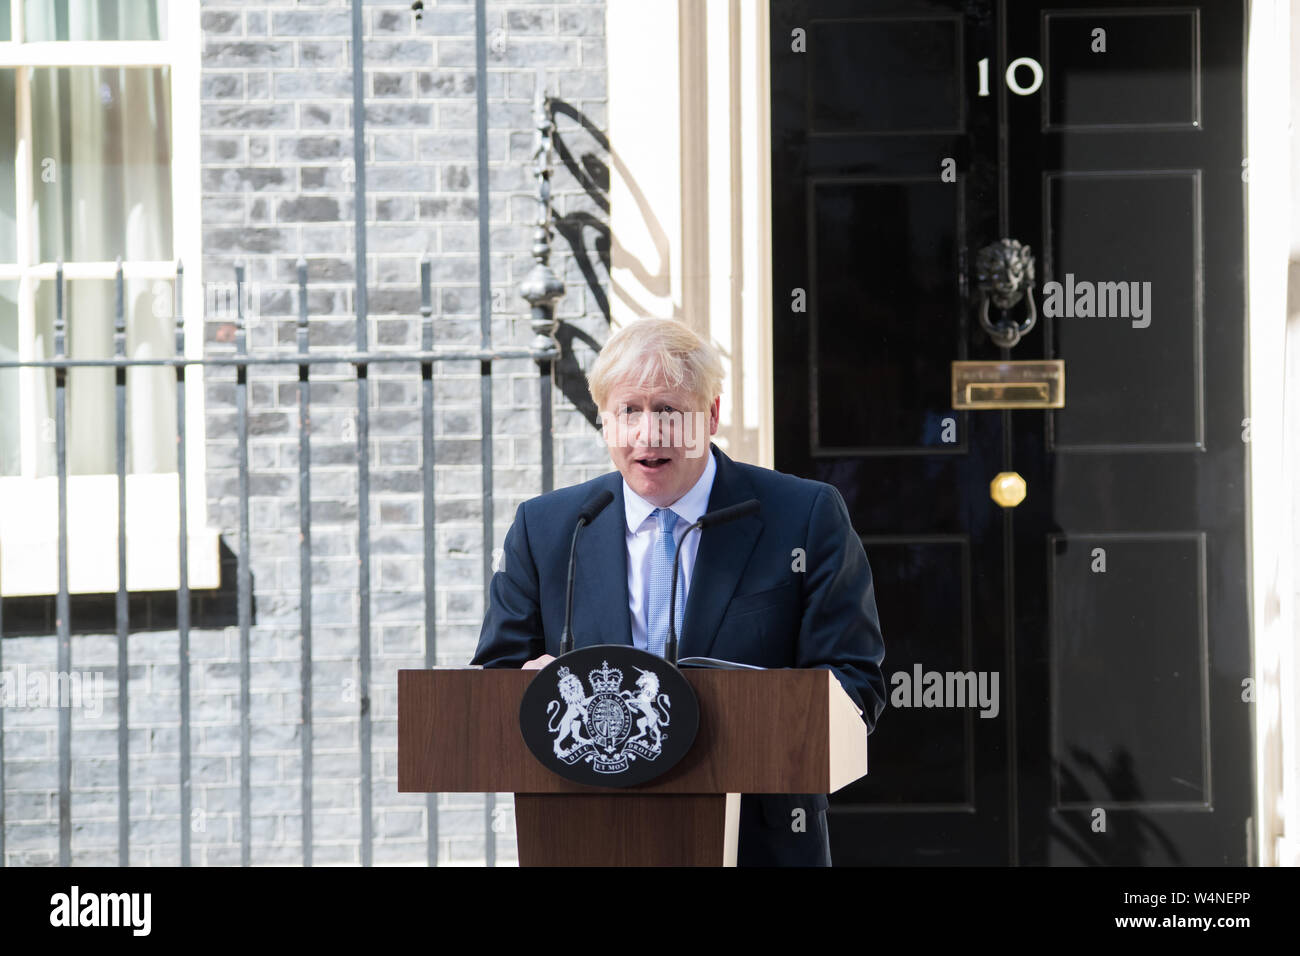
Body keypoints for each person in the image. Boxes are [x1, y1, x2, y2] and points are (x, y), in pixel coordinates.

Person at [471, 318, 885, 865]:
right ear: (605, 421)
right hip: (587, 835)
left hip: (757, 842)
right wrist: (524, 688)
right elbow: (491, 687)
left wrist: (743, 713)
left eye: (668, 410)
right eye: (628, 412)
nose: (647, 435)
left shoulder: (804, 516)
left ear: (711, 416)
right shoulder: (548, 528)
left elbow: (854, 683)